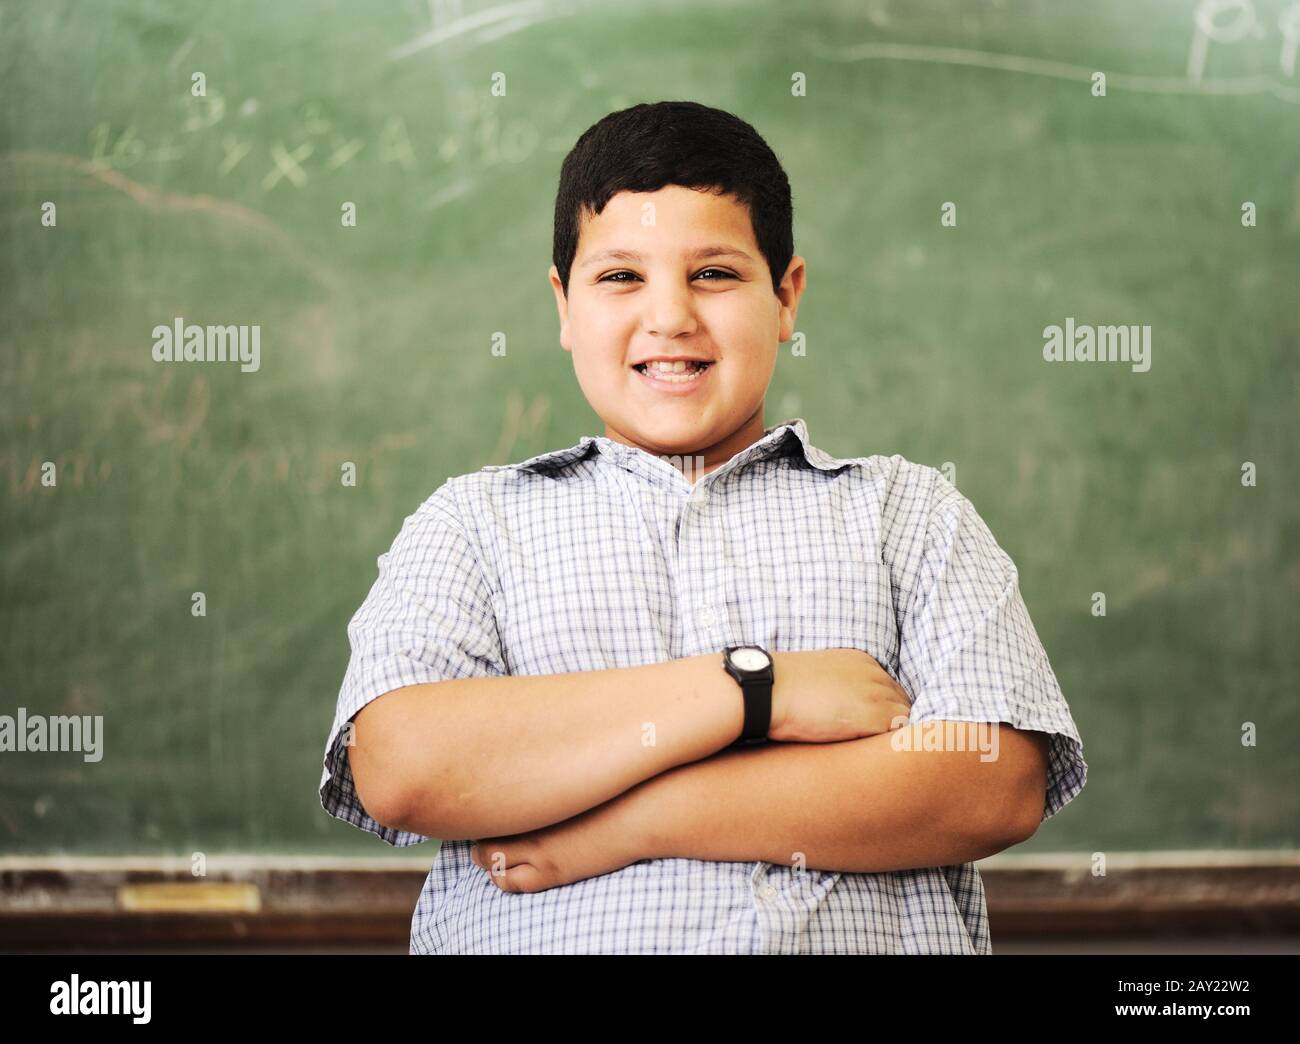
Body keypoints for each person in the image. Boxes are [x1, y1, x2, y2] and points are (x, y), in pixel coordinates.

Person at [319, 100, 1087, 954]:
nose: (671, 316)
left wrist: (629, 821)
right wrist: (758, 689)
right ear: (563, 304)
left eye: (714, 274)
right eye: (620, 277)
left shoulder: (907, 514)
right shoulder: (472, 524)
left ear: (786, 296)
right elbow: (403, 767)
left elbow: (993, 781)